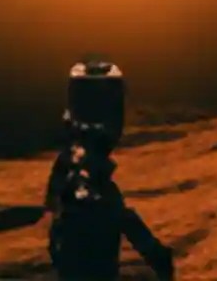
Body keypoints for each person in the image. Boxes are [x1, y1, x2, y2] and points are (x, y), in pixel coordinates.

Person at [43, 59, 174, 280]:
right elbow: (121, 218)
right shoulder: (88, 182)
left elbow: (59, 213)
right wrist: (157, 256)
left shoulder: (73, 172)